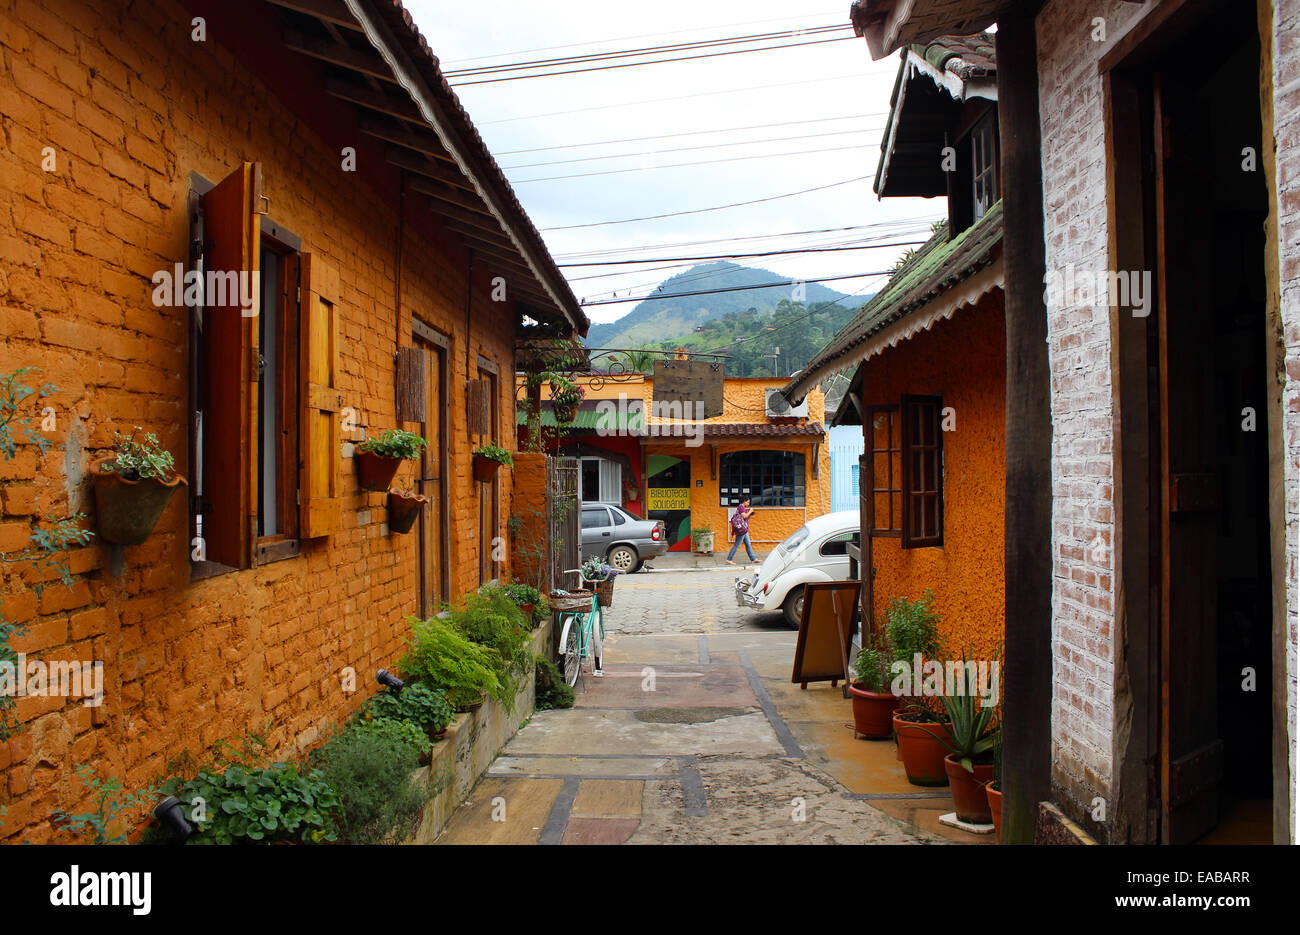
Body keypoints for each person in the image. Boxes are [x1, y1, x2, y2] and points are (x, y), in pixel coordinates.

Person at [726, 496, 756, 564]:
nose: (748, 503)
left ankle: (753, 559)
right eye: (748, 502)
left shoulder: (742, 508)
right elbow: (744, 516)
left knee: (748, 543)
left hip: (744, 529)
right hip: (741, 529)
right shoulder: (741, 507)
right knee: (737, 545)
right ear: (744, 501)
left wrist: (750, 515)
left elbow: (745, 517)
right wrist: (750, 511)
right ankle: (729, 559)